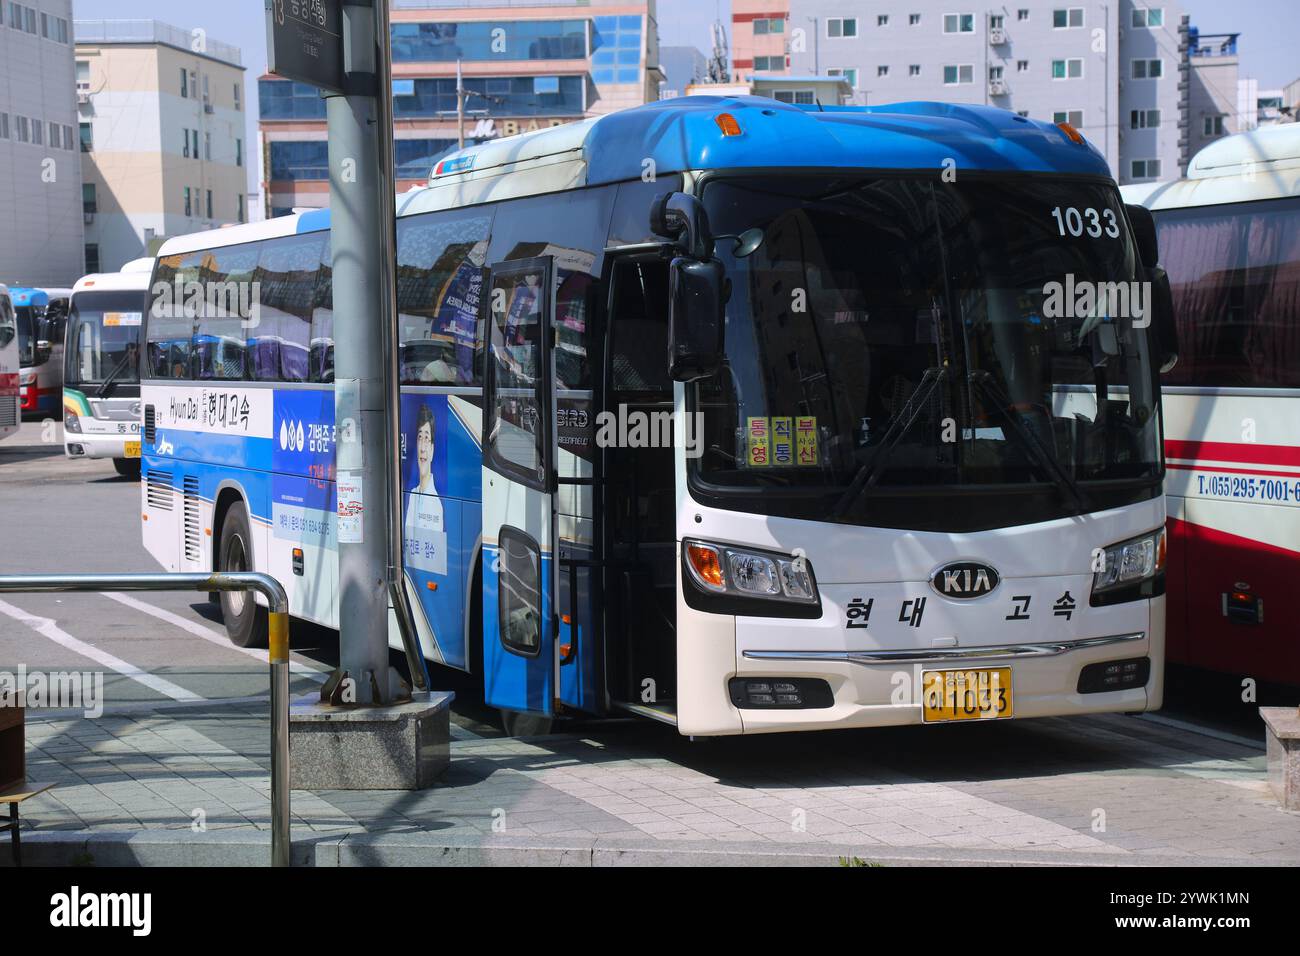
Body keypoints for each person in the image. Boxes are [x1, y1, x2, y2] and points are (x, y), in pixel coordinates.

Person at [403, 404, 445, 568]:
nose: (422, 447)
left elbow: (432, 562)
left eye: (426, 438)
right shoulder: (413, 493)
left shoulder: (435, 505)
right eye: (419, 438)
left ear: (433, 450)